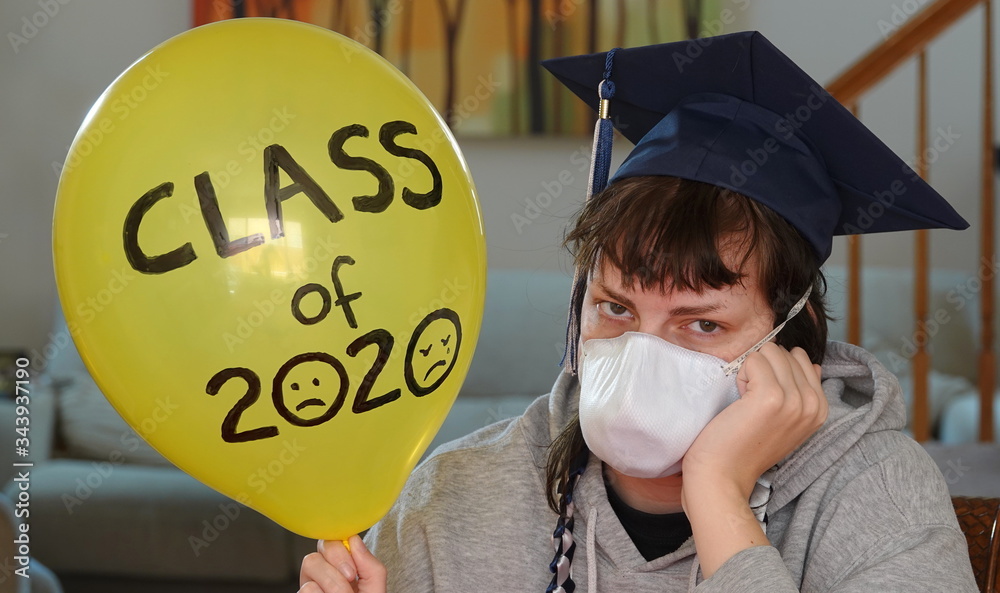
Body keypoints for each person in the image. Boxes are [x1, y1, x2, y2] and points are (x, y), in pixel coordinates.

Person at [298, 31, 978, 592]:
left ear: (790, 337)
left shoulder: (879, 493)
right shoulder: (457, 493)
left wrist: (717, 496)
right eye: (616, 309)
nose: (643, 349)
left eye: (702, 322)